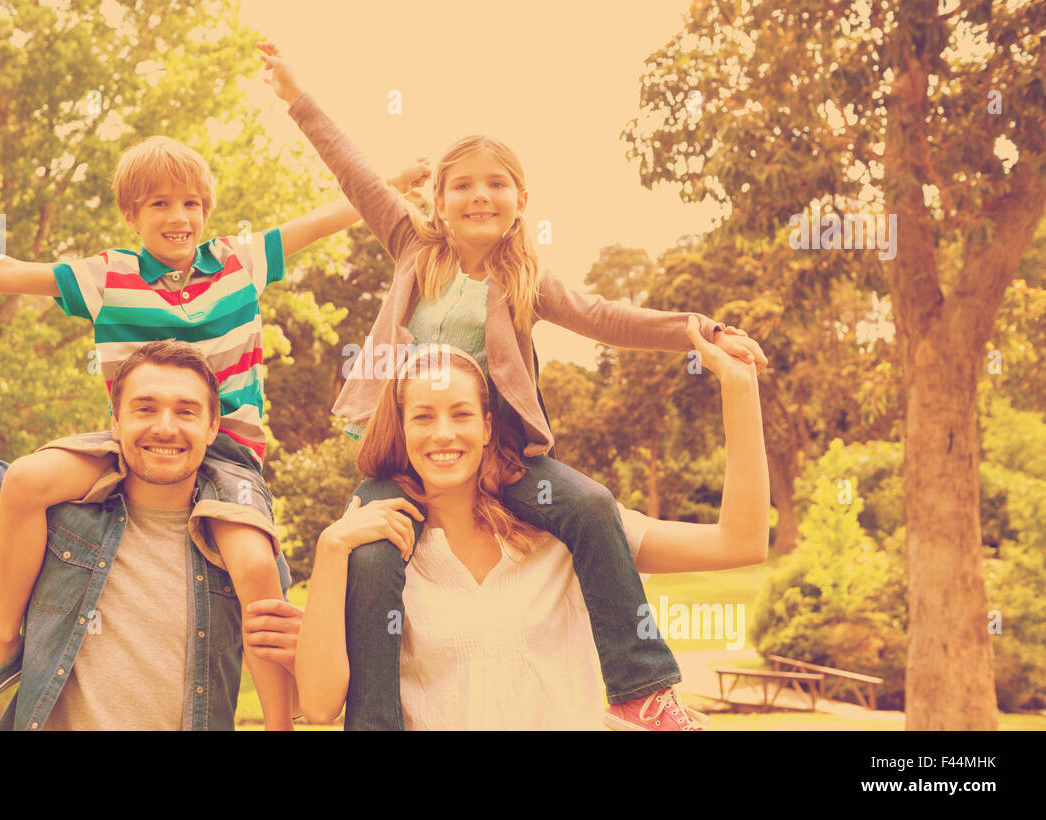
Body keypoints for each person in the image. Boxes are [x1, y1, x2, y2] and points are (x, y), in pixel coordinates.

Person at [258, 41, 770, 729]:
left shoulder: (525, 280)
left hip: (496, 455)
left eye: (496, 183)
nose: (479, 195)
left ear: (520, 200)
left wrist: (694, 330)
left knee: (589, 507)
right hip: (400, 455)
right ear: (436, 200)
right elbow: (354, 174)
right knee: (373, 556)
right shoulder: (414, 249)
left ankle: (640, 686)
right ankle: (374, 720)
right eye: (462, 184)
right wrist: (297, 97)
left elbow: (604, 317)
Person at [0, 139, 428, 728]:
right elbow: (8, 273)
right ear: (132, 215)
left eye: (193, 203)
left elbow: (326, 217)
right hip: (133, 446)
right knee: (25, 479)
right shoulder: (106, 276)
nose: (180, 217)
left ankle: (278, 723)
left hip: (228, 457)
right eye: (160, 204)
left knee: (255, 567)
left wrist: (391, 183)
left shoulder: (238, 261)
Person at [0, 226, 303, 730]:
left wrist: (304, 651)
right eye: (145, 408)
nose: (165, 427)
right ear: (115, 421)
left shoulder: (245, 549)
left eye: (187, 411)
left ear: (214, 427)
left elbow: (307, 699)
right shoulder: (55, 516)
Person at [297, 335, 769, 729]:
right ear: (401, 429)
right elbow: (319, 706)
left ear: (486, 427)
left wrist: (738, 385)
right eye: (423, 416)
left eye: (461, 414)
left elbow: (740, 542)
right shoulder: (380, 551)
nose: (443, 433)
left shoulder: (572, 532)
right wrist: (332, 546)